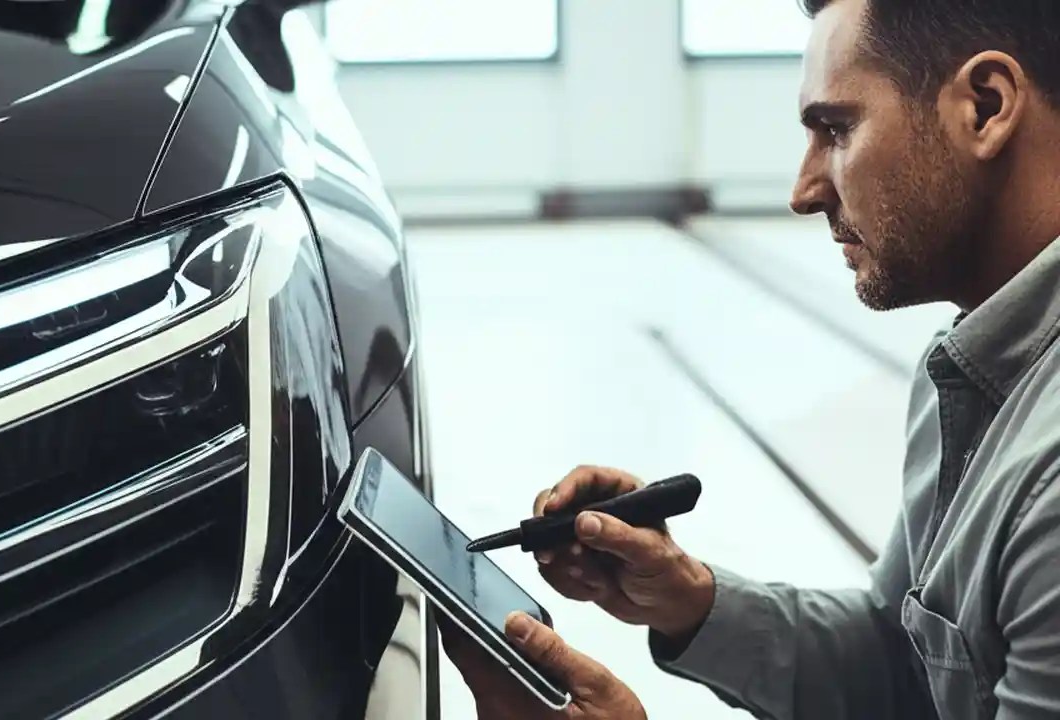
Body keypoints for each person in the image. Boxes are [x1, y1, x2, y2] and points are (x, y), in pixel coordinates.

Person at [441, 0, 1060, 718]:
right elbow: (904, 662)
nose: (803, 191)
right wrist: (688, 599)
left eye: (836, 130)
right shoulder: (970, 369)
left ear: (986, 106)